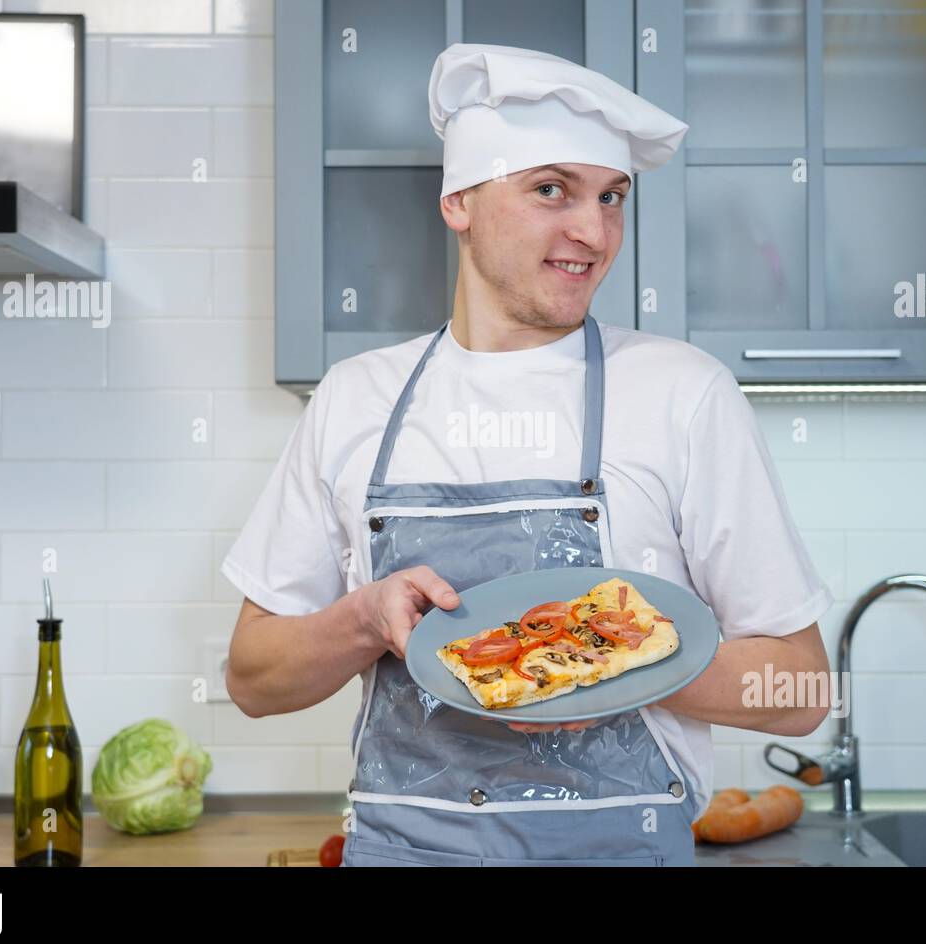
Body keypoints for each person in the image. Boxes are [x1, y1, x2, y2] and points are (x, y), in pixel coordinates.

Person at [222, 43, 834, 866]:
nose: (594, 231)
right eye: (552, 190)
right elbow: (253, 681)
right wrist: (365, 619)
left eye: (612, 197)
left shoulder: (683, 393)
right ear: (459, 201)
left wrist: (605, 665)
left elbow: (800, 690)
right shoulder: (354, 396)